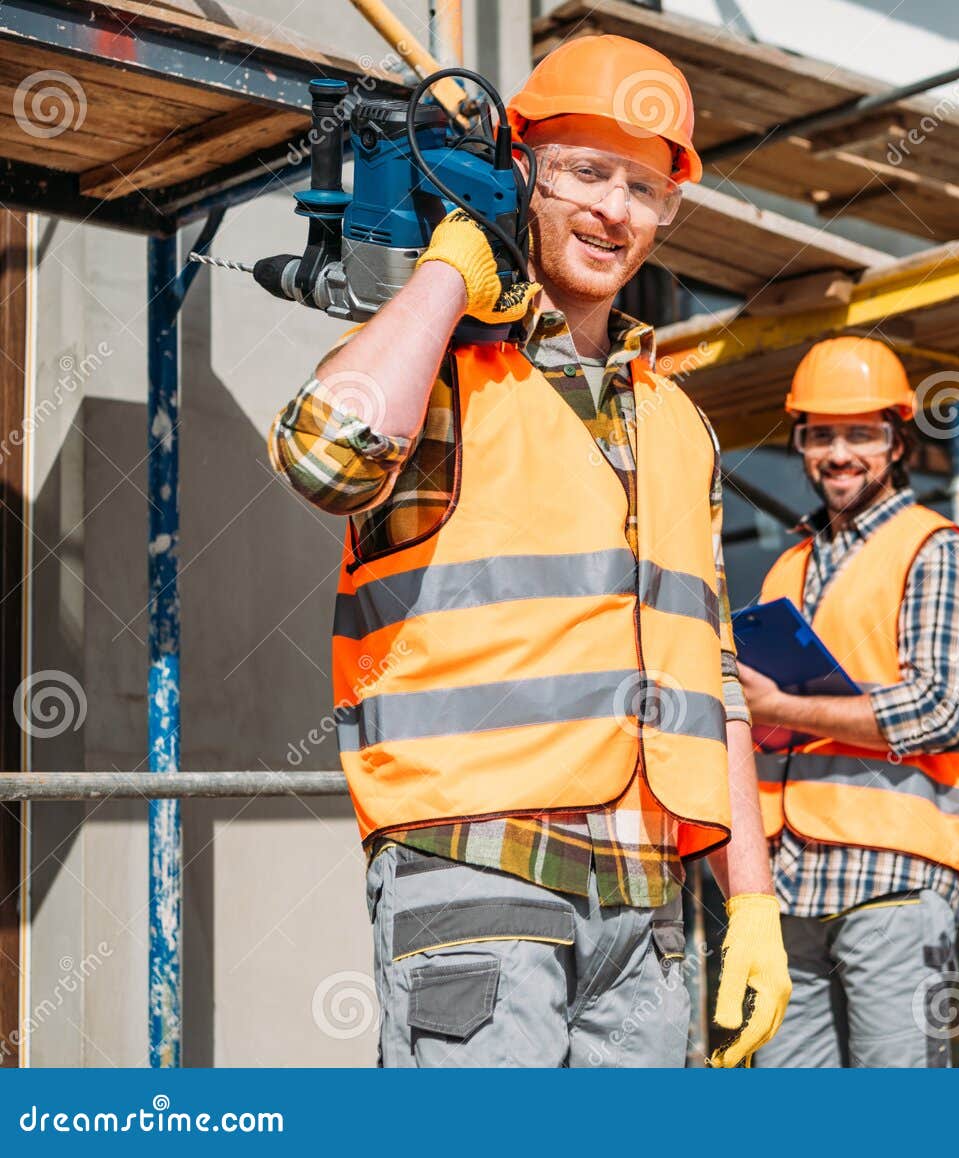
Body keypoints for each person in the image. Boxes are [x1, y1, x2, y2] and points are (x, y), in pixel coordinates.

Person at [268, 34, 789, 1068]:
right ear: (519, 177)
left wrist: (756, 902)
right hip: (475, 867)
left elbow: (711, 673)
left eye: (643, 188)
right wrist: (449, 276)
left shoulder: (678, 422)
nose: (613, 212)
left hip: (645, 903)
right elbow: (323, 460)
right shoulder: (442, 369)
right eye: (585, 173)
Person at [738, 337, 959, 1067]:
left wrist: (782, 708)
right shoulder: (790, 563)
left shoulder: (932, 548)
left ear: (897, 441)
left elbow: (939, 709)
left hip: (894, 880)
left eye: (860, 434)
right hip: (788, 885)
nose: (838, 453)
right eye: (820, 434)